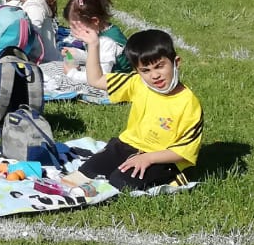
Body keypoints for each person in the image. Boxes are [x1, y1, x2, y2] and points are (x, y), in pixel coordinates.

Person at [77, 29, 202, 190]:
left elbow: (185, 151)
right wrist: (93, 44)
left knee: (119, 182)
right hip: (126, 145)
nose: (155, 75)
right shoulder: (137, 83)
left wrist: (148, 158)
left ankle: (175, 177)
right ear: (137, 71)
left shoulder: (189, 103)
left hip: (162, 158)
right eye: (146, 70)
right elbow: (96, 80)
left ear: (176, 62)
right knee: (86, 172)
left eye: (160, 66)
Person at [65, 0, 130, 74]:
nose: (72, 30)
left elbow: (100, 77)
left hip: (117, 83)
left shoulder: (107, 42)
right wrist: (78, 53)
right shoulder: (100, 31)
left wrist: (72, 73)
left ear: (94, 21)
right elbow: (99, 56)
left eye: (75, 26)